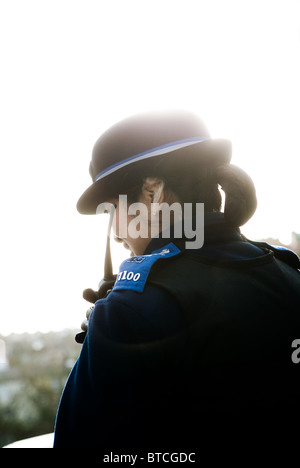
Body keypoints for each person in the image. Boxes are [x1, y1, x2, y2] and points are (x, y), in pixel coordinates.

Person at [54, 110, 300, 449]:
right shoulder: (289, 272)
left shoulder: (129, 313)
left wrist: (118, 320)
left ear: (152, 193)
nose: (115, 234)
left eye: (112, 211)